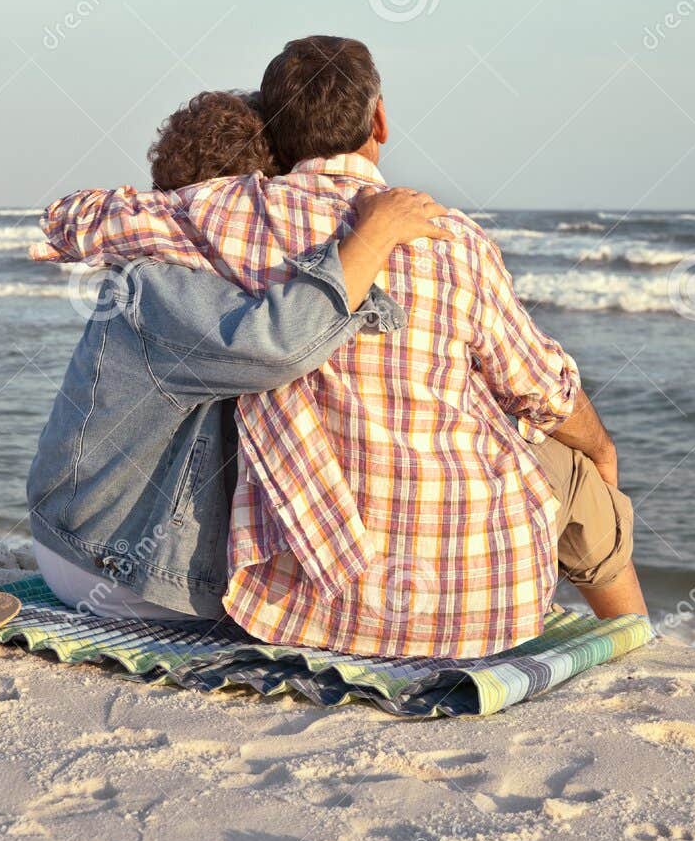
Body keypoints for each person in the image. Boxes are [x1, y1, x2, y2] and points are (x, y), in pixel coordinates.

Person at [34, 37, 647, 660]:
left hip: (294, 604)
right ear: (379, 118)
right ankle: (636, 644)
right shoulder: (453, 238)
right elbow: (539, 385)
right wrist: (600, 446)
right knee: (554, 457)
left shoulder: (230, 217)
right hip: (478, 613)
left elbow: (77, 220)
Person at [28, 89, 449, 622]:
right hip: (101, 561)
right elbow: (280, 342)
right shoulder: (156, 287)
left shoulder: (183, 267)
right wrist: (377, 231)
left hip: (88, 539)